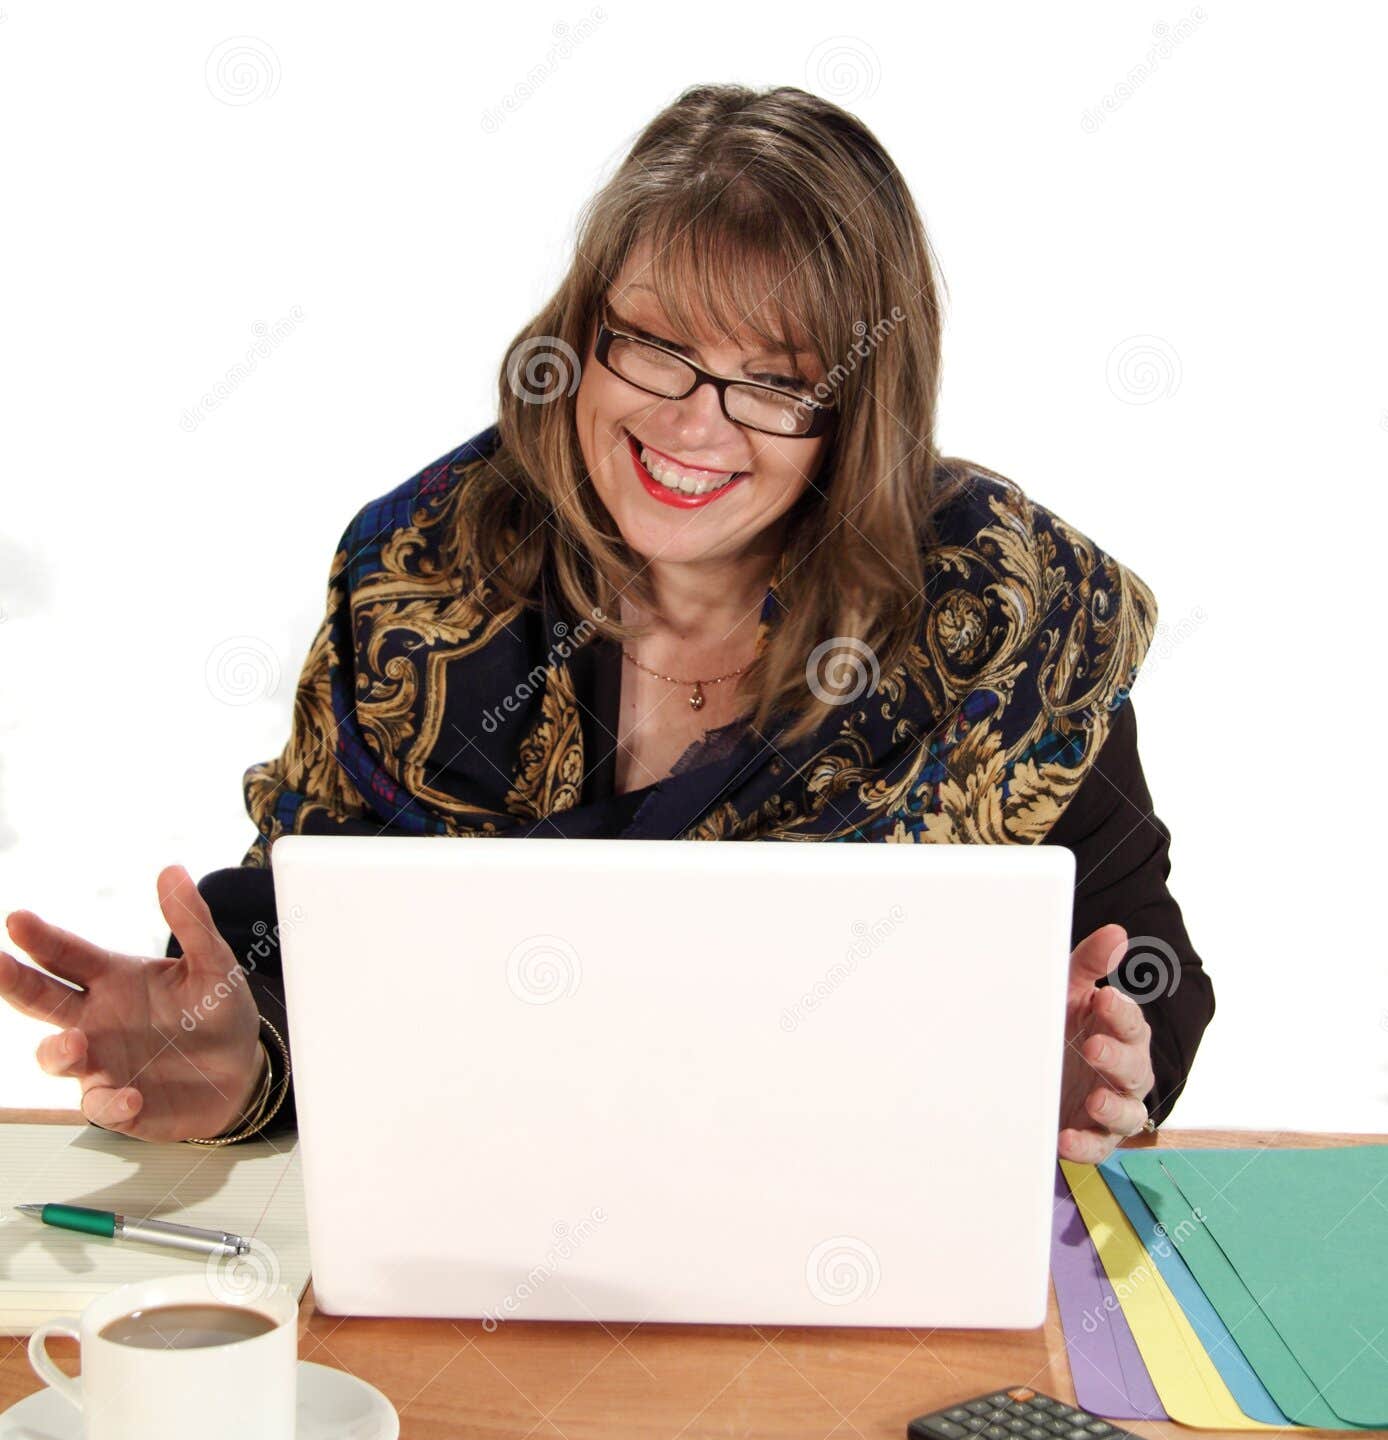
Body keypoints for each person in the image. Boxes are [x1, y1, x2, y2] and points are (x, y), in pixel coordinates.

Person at [0, 83, 1214, 1167]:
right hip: (476, 1221)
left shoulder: (997, 606)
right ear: (582, 336)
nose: (695, 425)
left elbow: (1138, 948)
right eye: (656, 346)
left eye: (778, 380)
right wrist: (242, 1063)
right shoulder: (423, 570)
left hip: (836, 1219)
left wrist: (1100, 1068)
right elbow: (312, 931)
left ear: (854, 411)